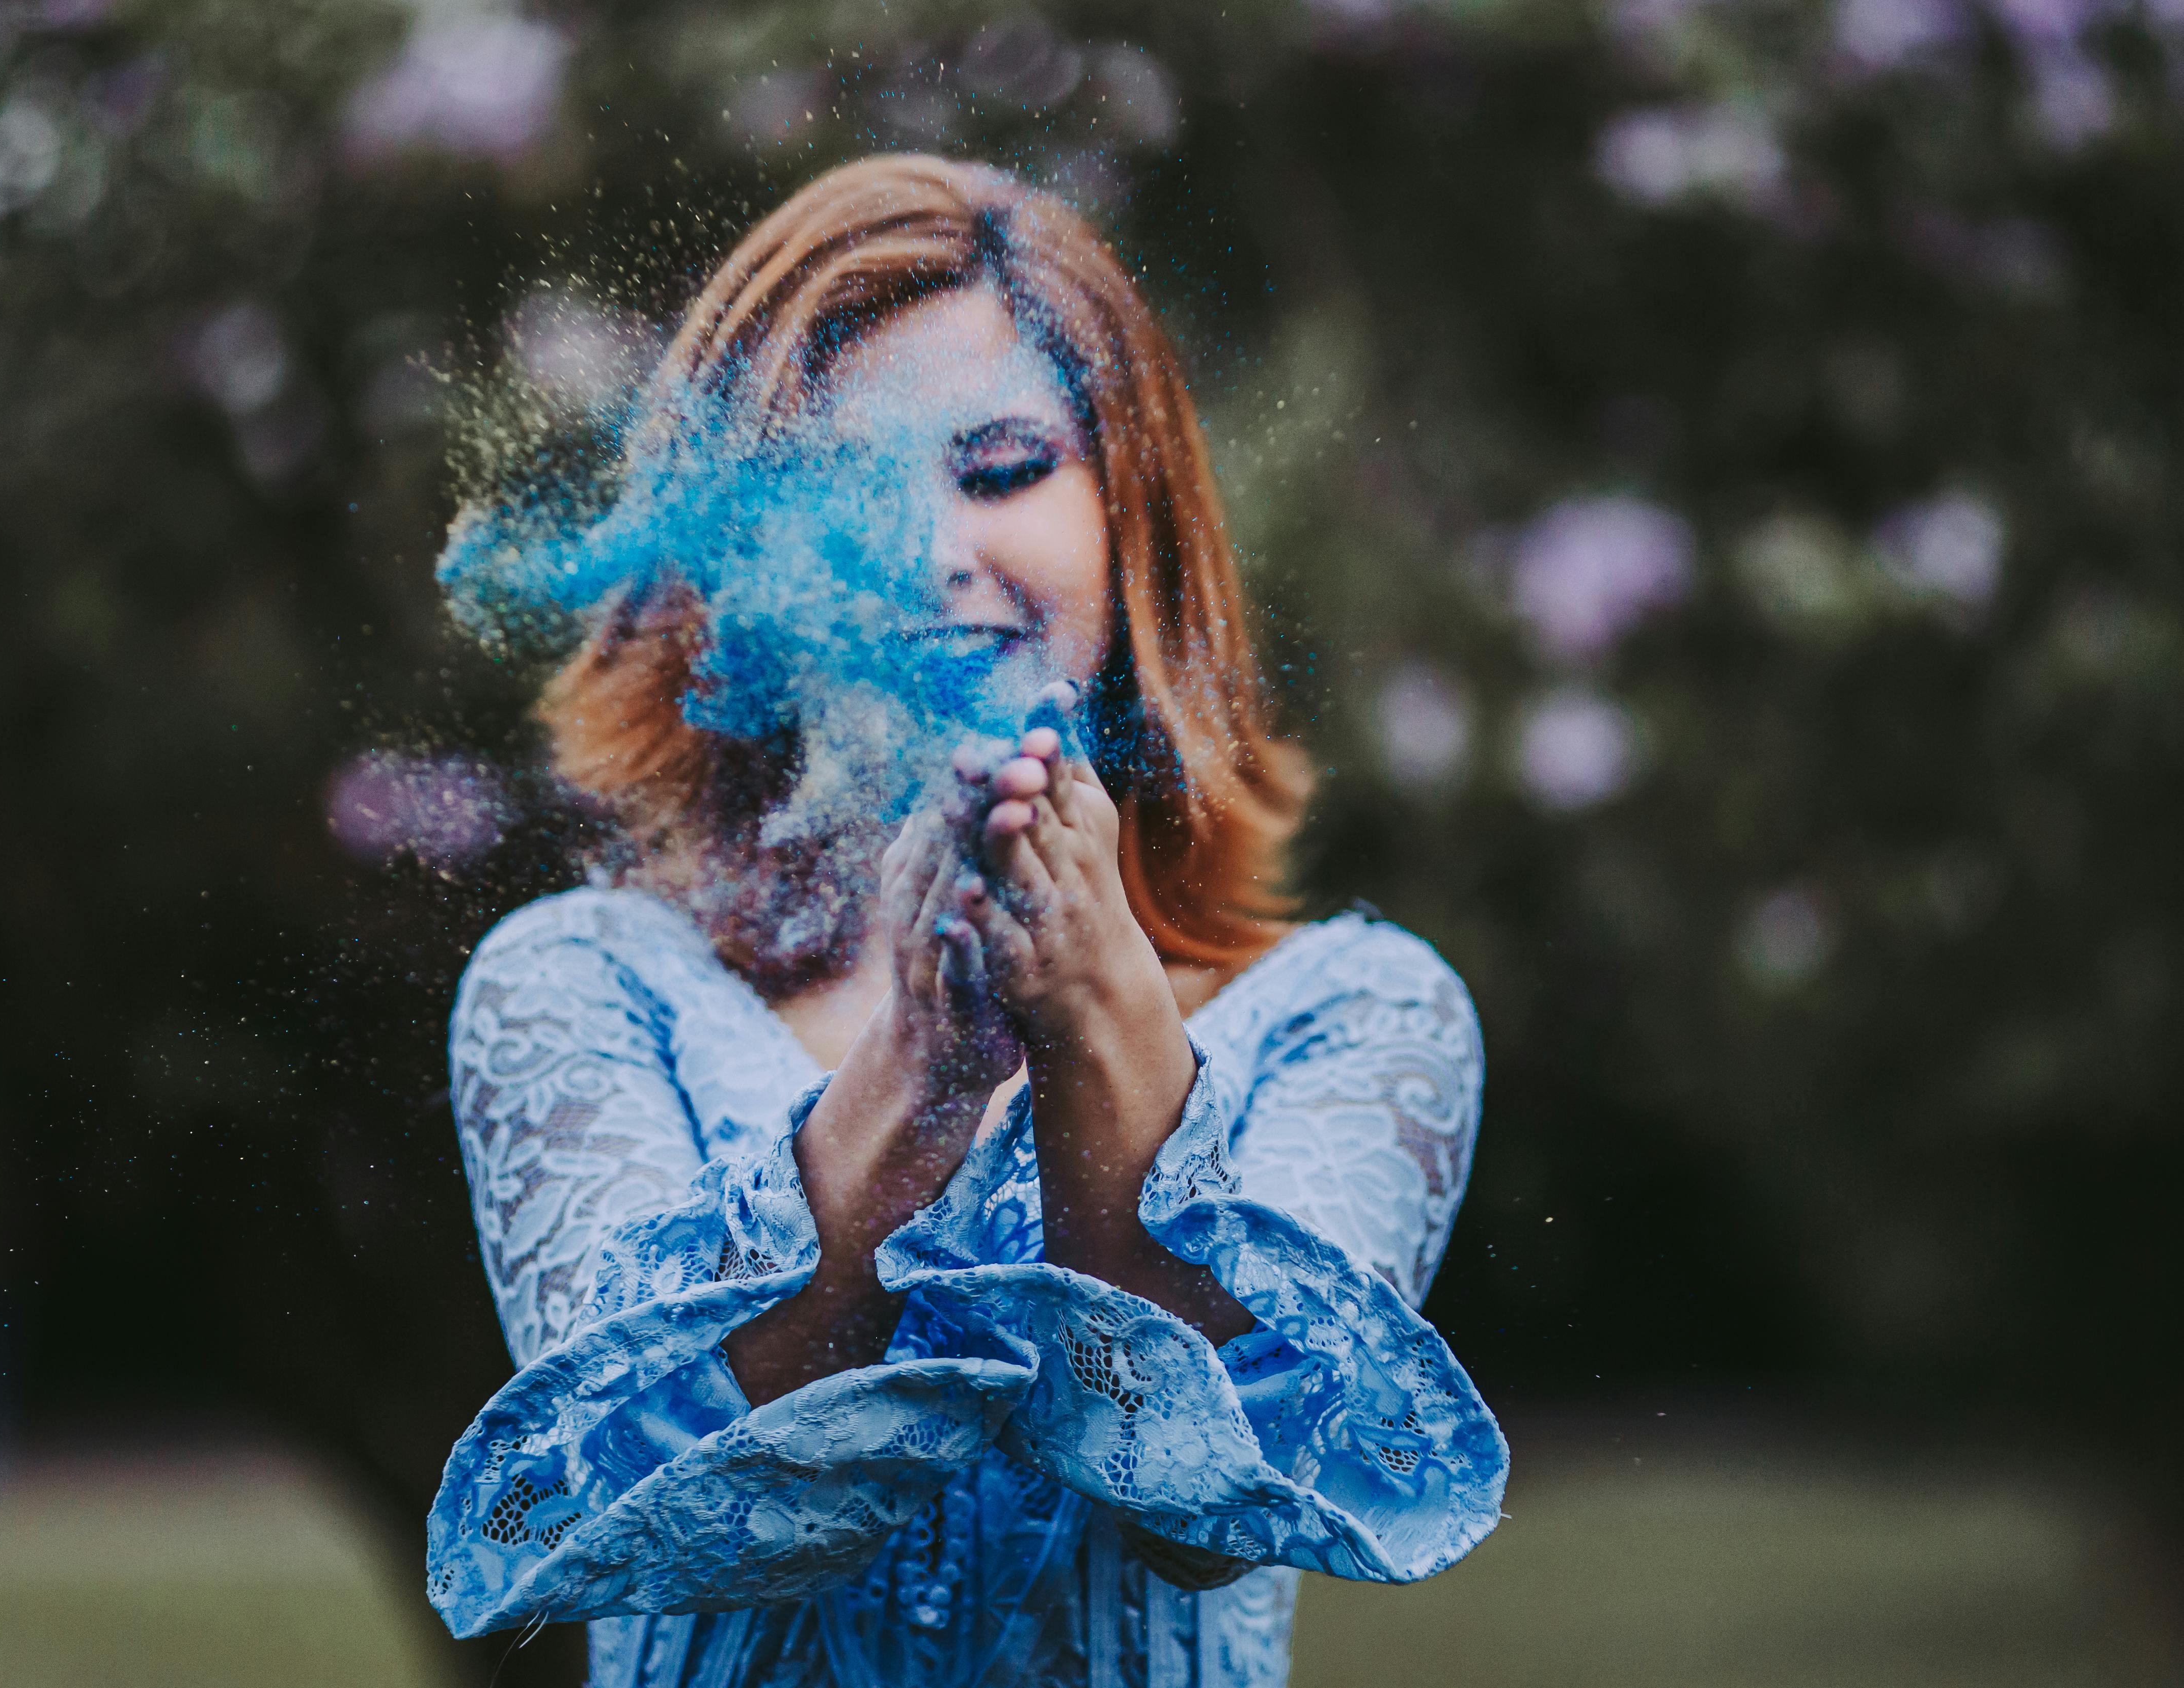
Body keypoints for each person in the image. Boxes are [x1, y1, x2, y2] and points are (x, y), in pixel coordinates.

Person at [426, 155, 1506, 1688]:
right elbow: (632, 1508)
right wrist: (917, 1078)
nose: (935, 549)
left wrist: (1102, 1011)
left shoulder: (1356, 1013)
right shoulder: (584, 985)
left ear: (1134, 522)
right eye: (845, 490)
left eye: (1001, 468)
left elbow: (1215, 1507)